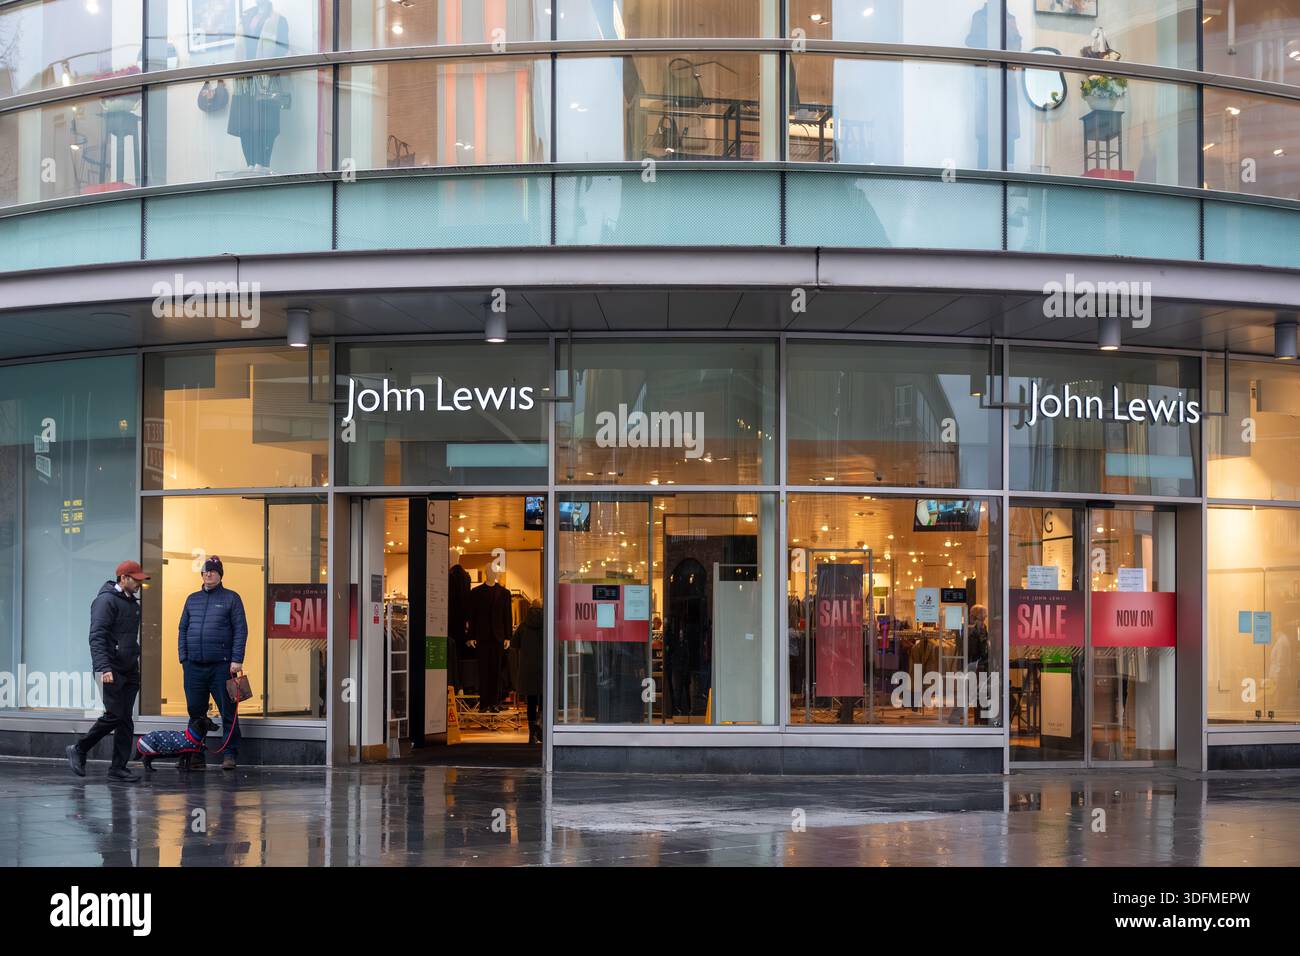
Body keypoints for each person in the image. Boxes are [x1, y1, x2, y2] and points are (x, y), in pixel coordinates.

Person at [66, 560, 151, 782]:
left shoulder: (133, 603)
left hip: (130, 668)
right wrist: (104, 667)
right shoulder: (105, 601)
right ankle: (80, 748)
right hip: (110, 668)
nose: (139, 584)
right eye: (136, 580)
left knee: (125, 719)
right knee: (114, 715)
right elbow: (97, 637)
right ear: (123, 578)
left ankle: (118, 768)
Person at [179, 556, 248, 770]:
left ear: (220, 575)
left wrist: (237, 659)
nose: (208, 574)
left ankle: (230, 754)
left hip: (222, 666)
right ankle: (196, 754)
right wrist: (184, 658)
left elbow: (240, 630)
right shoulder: (192, 599)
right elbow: (182, 629)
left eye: (213, 570)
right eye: (205, 570)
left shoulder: (231, 598)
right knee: (196, 712)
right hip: (194, 666)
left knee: (228, 710)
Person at [513, 601, 544, 743]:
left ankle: (532, 734)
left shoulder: (523, 626)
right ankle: (541, 728)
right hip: (544, 668)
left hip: (528, 669)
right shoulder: (547, 625)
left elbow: (514, 644)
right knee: (544, 700)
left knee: (531, 702)